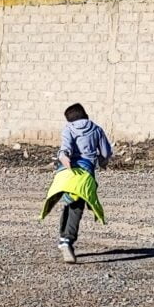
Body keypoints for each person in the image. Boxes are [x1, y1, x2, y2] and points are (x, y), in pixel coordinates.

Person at [42, 102, 113, 263]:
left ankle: (63, 239)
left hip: (65, 173)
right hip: (84, 174)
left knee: (69, 202)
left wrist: (64, 157)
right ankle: (67, 240)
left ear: (69, 120)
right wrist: (102, 162)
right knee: (77, 206)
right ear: (86, 115)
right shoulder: (97, 129)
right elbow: (106, 152)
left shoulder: (68, 129)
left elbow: (65, 148)